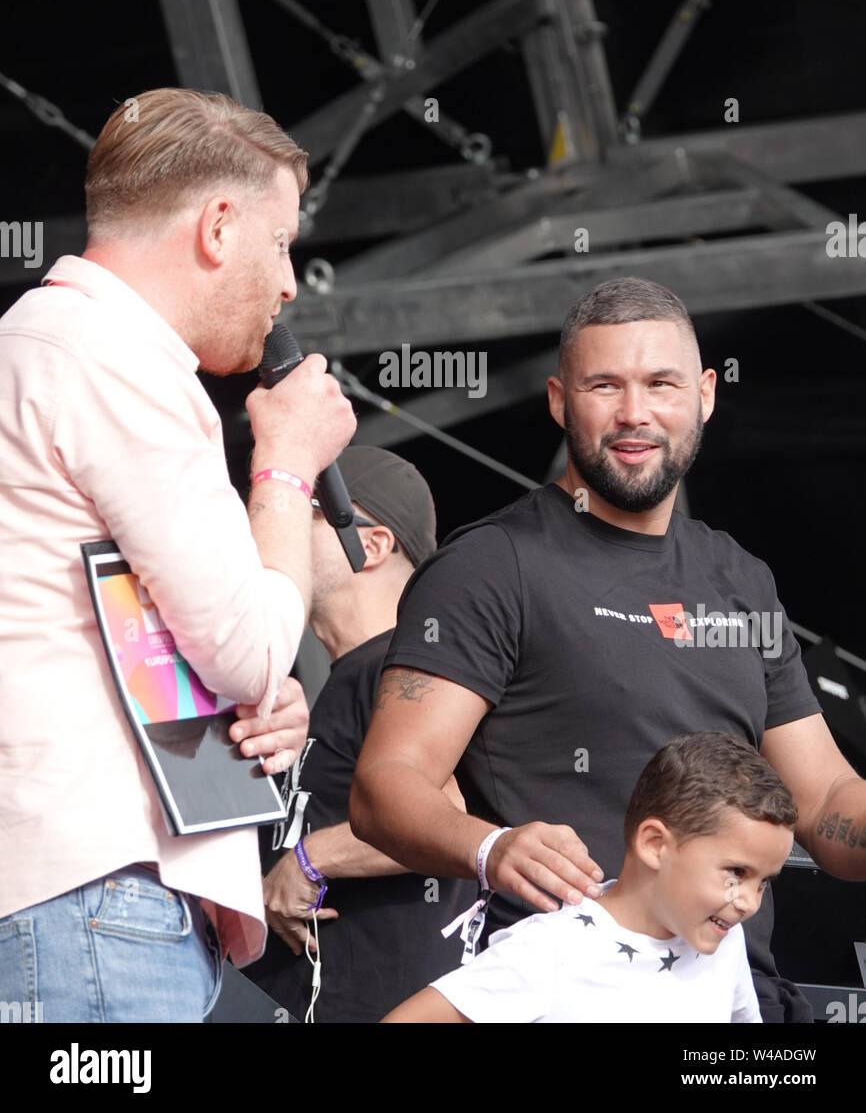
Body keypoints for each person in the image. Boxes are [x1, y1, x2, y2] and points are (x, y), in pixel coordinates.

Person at [351, 276, 866, 1023]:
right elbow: (384, 786)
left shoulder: (739, 578)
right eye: (605, 386)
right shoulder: (493, 564)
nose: (635, 414)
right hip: (580, 996)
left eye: (661, 383)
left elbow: (822, 805)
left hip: (737, 997)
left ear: (706, 395)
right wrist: (491, 846)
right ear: (561, 401)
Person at [0, 89, 356, 1022]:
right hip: (93, 898)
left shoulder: (55, 343)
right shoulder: (105, 352)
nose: (288, 284)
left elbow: (170, 639)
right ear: (219, 225)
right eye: (281, 242)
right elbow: (245, 644)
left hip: (92, 894)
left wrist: (247, 695)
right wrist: (283, 464)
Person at [246, 446, 476, 1022]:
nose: (271, 527)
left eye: (304, 512)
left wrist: (308, 858)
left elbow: (442, 815)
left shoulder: (399, 668)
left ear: (370, 546)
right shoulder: (341, 681)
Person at [383, 733, 797, 1023]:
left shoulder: (725, 941)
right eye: (736, 873)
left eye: (763, 882)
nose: (749, 902)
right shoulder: (549, 950)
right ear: (654, 844)